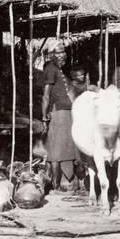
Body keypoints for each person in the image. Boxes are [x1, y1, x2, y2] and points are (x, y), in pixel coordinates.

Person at [41, 44, 81, 190]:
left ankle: (65, 181)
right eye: (58, 52)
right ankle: (55, 185)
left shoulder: (59, 70)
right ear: (51, 54)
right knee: (57, 151)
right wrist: (45, 117)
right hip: (58, 112)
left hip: (67, 112)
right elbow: (45, 96)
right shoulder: (50, 69)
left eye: (63, 52)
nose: (62, 55)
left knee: (66, 148)